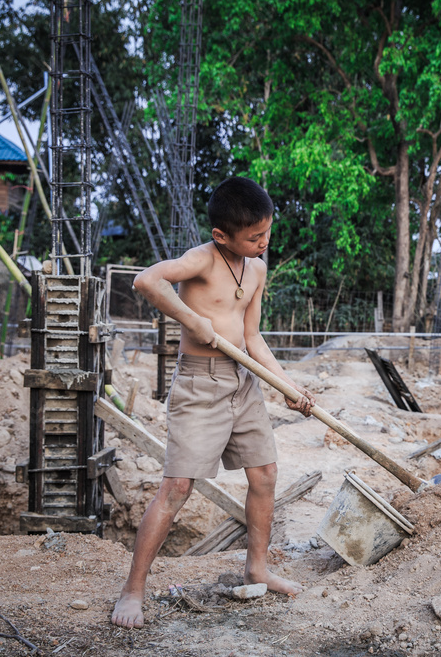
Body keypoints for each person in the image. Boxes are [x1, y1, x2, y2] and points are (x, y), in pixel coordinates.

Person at [111, 176, 315, 629]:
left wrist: (286, 385)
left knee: (264, 474)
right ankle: (133, 591)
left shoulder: (257, 268)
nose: (264, 243)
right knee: (178, 487)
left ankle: (257, 567)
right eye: (254, 237)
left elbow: (252, 337)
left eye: (267, 233)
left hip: (244, 380)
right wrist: (193, 320)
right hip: (199, 385)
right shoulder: (200, 259)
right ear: (222, 235)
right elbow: (147, 280)